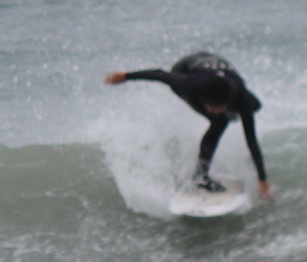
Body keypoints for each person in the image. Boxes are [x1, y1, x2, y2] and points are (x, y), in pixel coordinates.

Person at [104, 53, 271, 198]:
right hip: (186, 68)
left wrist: (262, 180)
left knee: (254, 106)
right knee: (220, 122)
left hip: (219, 72)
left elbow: (251, 140)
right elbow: (161, 74)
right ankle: (201, 178)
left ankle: (203, 170)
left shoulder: (241, 98)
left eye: (215, 107)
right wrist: (126, 76)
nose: (211, 110)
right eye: (209, 106)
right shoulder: (189, 84)